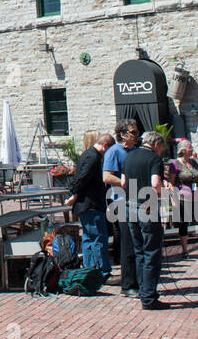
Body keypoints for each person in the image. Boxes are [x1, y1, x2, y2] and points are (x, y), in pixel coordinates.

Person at [122, 131, 168, 310]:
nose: (161, 152)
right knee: (151, 252)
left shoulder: (130, 156)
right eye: (161, 149)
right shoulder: (154, 159)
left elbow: (124, 182)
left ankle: (143, 292)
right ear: (156, 144)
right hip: (147, 207)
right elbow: (156, 184)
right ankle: (149, 297)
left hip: (129, 206)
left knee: (139, 251)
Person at [63, 132, 112, 276]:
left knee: (88, 237)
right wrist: (74, 193)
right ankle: (102, 271)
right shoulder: (94, 157)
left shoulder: (86, 154)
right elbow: (82, 178)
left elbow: (78, 176)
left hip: (86, 204)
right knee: (98, 237)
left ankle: (90, 269)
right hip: (91, 203)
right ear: (105, 146)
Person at [104, 120, 139, 296]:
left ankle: (137, 279)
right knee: (126, 243)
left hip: (137, 201)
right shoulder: (113, 152)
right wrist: (125, 183)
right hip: (120, 201)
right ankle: (127, 284)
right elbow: (107, 177)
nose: (137, 135)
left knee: (136, 241)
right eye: (133, 132)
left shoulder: (135, 151)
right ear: (123, 134)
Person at [166, 140, 198, 258]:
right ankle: (184, 250)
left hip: (196, 198)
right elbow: (171, 184)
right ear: (182, 150)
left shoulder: (193, 163)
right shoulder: (175, 164)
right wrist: (173, 200)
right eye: (189, 147)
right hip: (183, 198)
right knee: (183, 225)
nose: (192, 149)